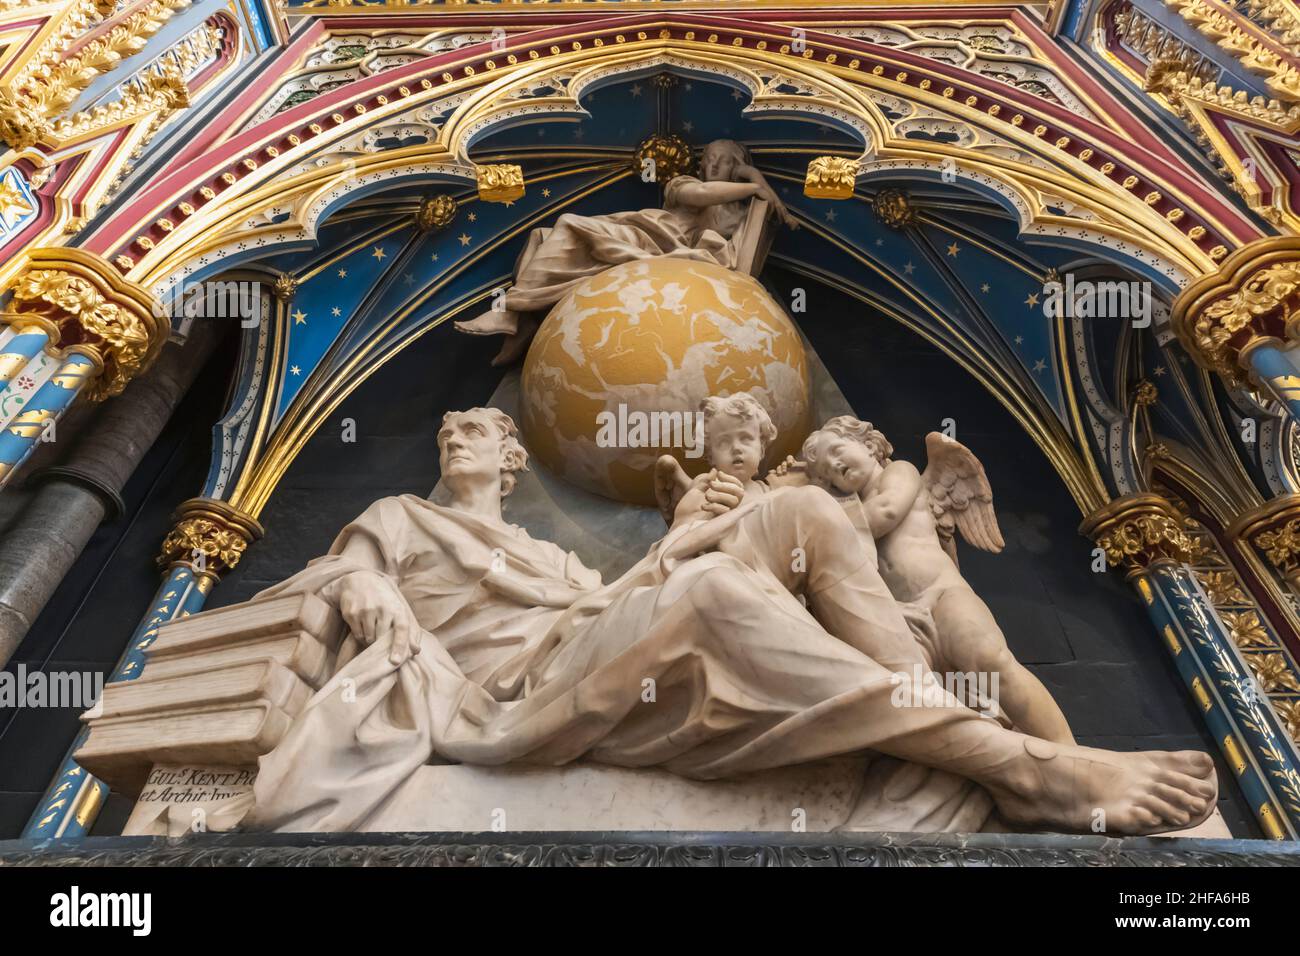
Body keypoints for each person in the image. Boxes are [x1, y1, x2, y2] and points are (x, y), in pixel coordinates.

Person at [242, 407, 1216, 835]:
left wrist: (690, 535)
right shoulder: (398, 516)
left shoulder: (554, 556)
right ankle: (1020, 767)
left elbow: (613, 595)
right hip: (511, 688)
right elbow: (343, 573)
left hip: (586, 632)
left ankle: (937, 722)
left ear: (510, 462)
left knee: (804, 512)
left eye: (476, 433)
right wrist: (363, 587)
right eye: (448, 433)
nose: (457, 442)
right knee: (712, 593)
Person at [802, 417, 1074, 744]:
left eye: (837, 451)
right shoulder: (849, 508)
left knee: (991, 663)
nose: (835, 465)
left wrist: (815, 515)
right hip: (902, 619)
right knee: (915, 701)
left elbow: (886, 512)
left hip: (943, 595)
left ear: (869, 445)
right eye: (827, 471)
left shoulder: (899, 472)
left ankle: (1069, 751)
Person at [455, 139, 792, 365]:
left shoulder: (740, 217)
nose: (714, 165)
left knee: (568, 224)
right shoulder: (682, 183)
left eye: (725, 161)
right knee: (542, 236)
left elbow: (744, 266)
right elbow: (703, 194)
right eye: (710, 159)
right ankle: (521, 316)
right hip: (644, 236)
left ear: (737, 166)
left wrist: (753, 179)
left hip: (666, 254)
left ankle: (512, 310)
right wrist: (754, 184)